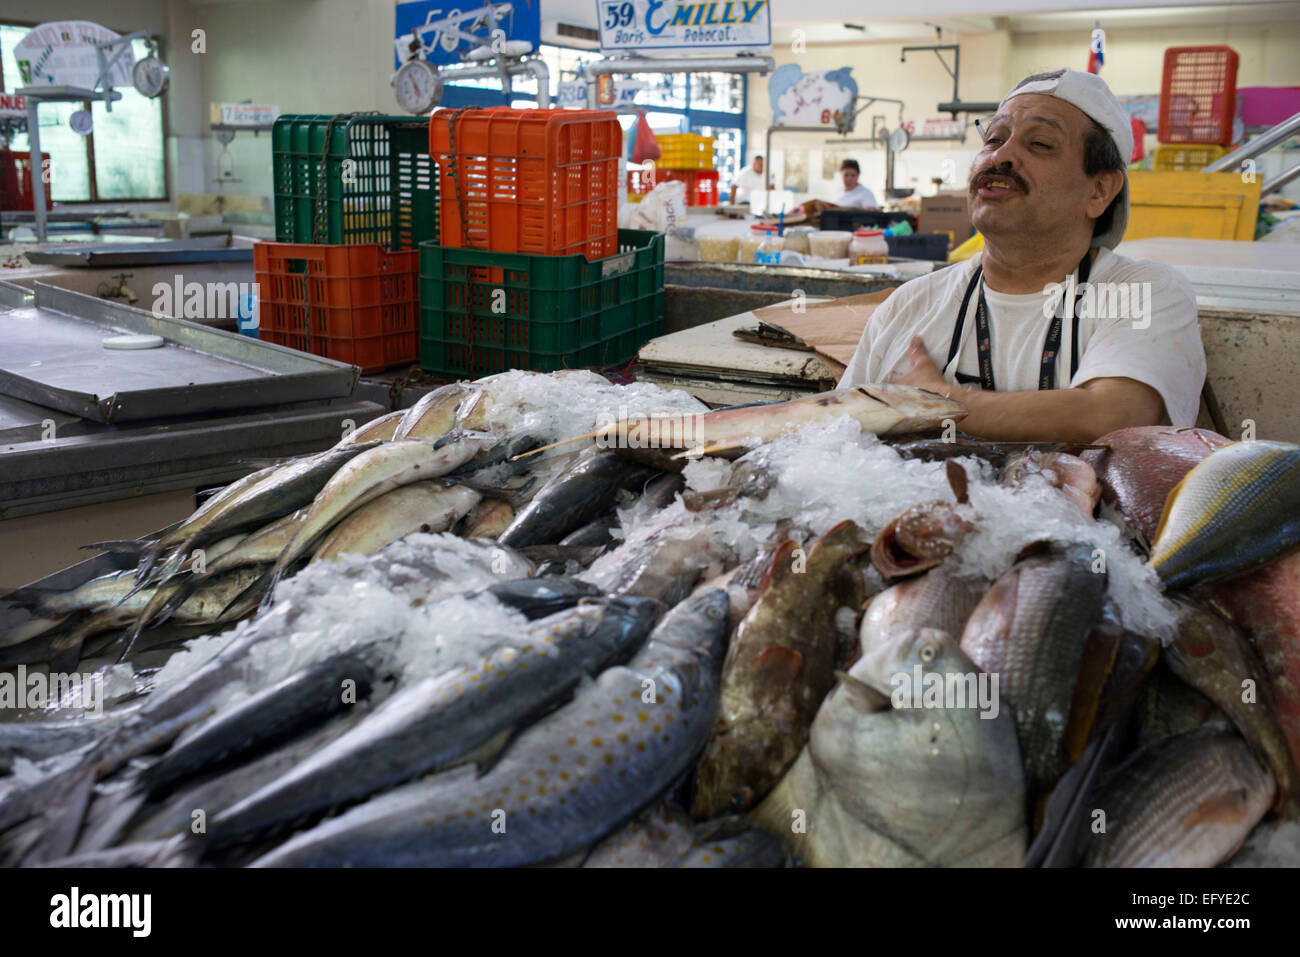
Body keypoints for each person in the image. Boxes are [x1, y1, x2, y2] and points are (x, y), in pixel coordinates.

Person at [839, 68, 1205, 443]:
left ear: (1099, 190)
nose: (1002, 155)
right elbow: (836, 433)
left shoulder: (1141, 291)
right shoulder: (910, 306)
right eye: (994, 138)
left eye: (1040, 144)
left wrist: (943, 401)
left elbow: (1114, 416)